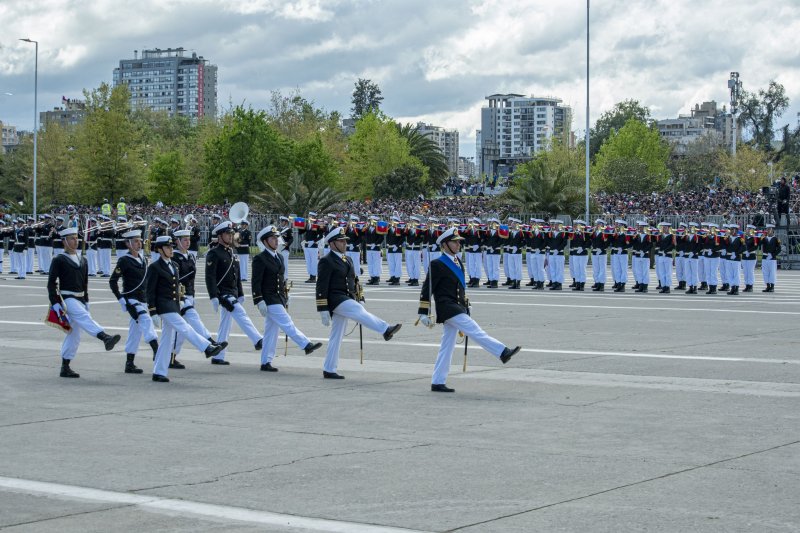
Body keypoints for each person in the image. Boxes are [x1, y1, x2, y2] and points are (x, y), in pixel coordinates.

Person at [417, 228, 521, 393]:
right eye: (455, 242)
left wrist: (466, 305)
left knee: (447, 346)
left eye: (459, 241)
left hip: (457, 306)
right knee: (475, 330)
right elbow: (427, 287)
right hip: (447, 307)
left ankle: (437, 381)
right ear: (445, 245)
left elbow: (460, 289)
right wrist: (423, 311)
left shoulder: (458, 262)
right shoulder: (437, 264)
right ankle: (502, 351)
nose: (459, 244)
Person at [315, 227, 402, 379]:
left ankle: (329, 368)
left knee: (336, 336)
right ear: (332, 243)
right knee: (356, 310)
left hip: (347, 297)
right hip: (336, 299)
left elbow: (353, 280)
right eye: (341, 241)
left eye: (344, 241)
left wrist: (360, 296)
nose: (344, 244)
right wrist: (322, 308)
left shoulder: (347, 259)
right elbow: (321, 285)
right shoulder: (326, 261)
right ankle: (385, 329)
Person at [147, 236, 226, 382]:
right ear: (159, 249)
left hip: (174, 305)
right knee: (185, 327)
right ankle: (206, 347)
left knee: (166, 340)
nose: (171, 250)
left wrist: (181, 301)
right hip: (164, 306)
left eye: (171, 247)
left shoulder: (174, 265)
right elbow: (150, 291)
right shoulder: (154, 267)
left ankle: (159, 372)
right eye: (167, 247)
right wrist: (152, 311)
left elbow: (176, 287)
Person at [47, 226, 121, 378]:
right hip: (67, 299)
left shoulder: (83, 260)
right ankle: (104, 337)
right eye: (72, 238)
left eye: (76, 238)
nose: (75, 241)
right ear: (64, 241)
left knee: (74, 334)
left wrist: (86, 300)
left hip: (80, 298)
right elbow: (51, 283)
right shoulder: (59, 260)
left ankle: (65, 366)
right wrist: (55, 303)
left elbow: (85, 283)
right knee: (84, 318)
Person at [252, 225, 322, 372]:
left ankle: (266, 361)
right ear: (265, 241)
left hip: (278, 298)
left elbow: (281, 279)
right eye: (273, 238)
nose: (277, 241)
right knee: (287, 323)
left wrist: (285, 295)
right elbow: (256, 281)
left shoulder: (279, 257)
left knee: (271, 332)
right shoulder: (260, 258)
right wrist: (259, 300)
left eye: (277, 238)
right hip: (269, 299)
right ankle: (305, 344)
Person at [205, 220, 263, 365]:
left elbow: (236, 275)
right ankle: (257, 339)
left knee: (225, 324)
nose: (230, 236)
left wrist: (241, 293)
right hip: (223, 293)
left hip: (233, 292)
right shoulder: (214, 253)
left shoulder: (231, 252)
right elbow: (210, 277)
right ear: (220, 236)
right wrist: (213, 296)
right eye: (227, 234)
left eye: (231, 234)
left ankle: (218, 356)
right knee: (240, 313)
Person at [109, 229, 159, 374]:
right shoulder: (124, 260)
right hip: (131, 299)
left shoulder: (143, 259)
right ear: (128, 244)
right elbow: (113, 282)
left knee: (135, 332)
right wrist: (123, 301)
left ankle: (129, 363)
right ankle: (156, 348)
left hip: (143, 299)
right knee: (145, 319)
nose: (139, 244)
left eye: (140, 241)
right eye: (135, 241)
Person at [171, 229, 222, 369]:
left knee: (181, 332)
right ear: (177, 242)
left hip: (189, 295)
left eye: (189, 240)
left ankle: (172, 357)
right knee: (193, 319)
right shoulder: (174, 258)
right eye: (184, 240)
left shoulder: (191, 256)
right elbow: (174, 280)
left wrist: (192, 295)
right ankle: (209, 341)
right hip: (179, 297)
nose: (188, 242)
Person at [568, 220, 589, 291]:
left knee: (582, 269)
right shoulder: (575, 233)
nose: (577, 226)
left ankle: (582, 284)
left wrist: (583, 248)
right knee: (576, 269)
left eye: (579, 225)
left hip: (583, 253)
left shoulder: (585, 233)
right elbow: (572, 242)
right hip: (575, 253)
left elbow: (589, 242)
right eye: (577, 225)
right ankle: (577, 283)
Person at [760, 223, 780, 292]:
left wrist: (773, 255)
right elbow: (759, 245)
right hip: (765, 257)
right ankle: (768, 286)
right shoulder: (764, 238)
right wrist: (762, 238)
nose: (768, 230)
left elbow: (779, 249)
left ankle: (772, 286)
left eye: (769, 229)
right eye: (767, 229)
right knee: (765, 272)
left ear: (772, 230)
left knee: (772, 272)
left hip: (772, 258)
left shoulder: (775, 239)